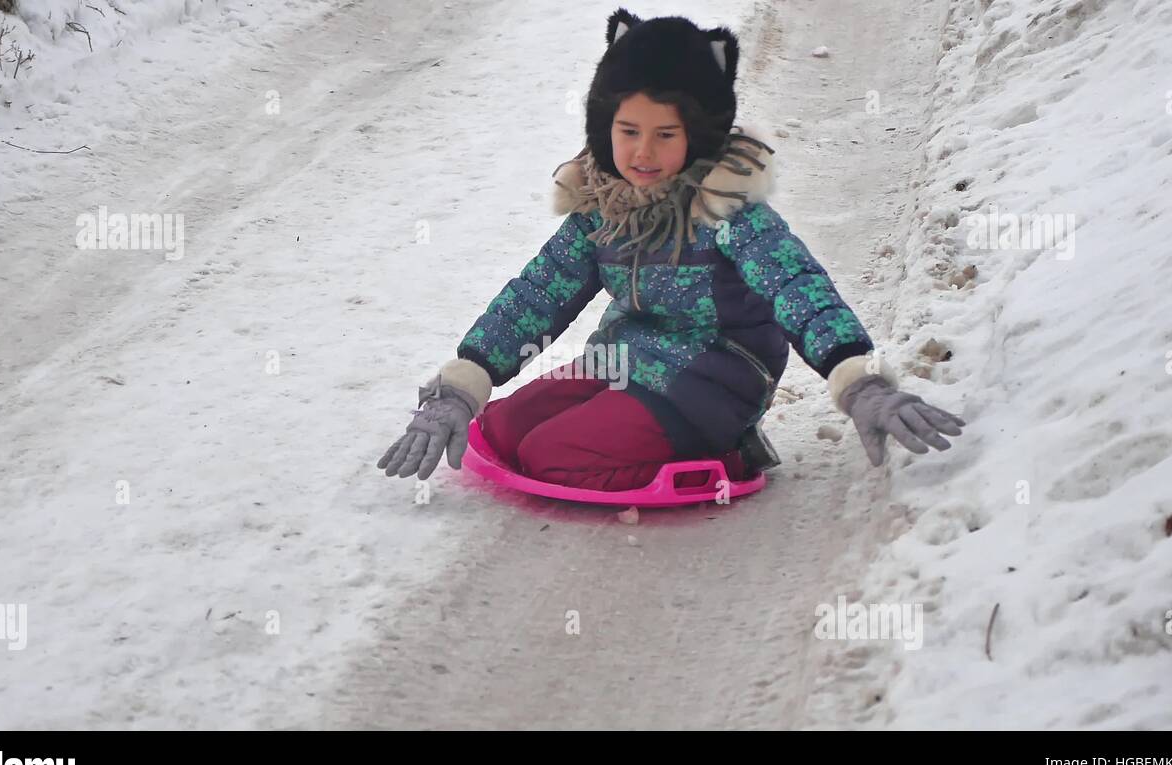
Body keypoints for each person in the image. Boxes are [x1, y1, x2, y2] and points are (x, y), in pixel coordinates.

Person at [378, 7, 965, 490]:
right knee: (500, 432)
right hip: (624, 364)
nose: (643, 152)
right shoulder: (602, 207)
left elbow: (799, 291)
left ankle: (727, 455)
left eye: (665, 134)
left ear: (698, 135)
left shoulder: (729, 213)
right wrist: (460, 387)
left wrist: (859, 380)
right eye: (628, 131)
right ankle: (625, 426)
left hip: (711, 382)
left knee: (552, 456)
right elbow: (537, 296)